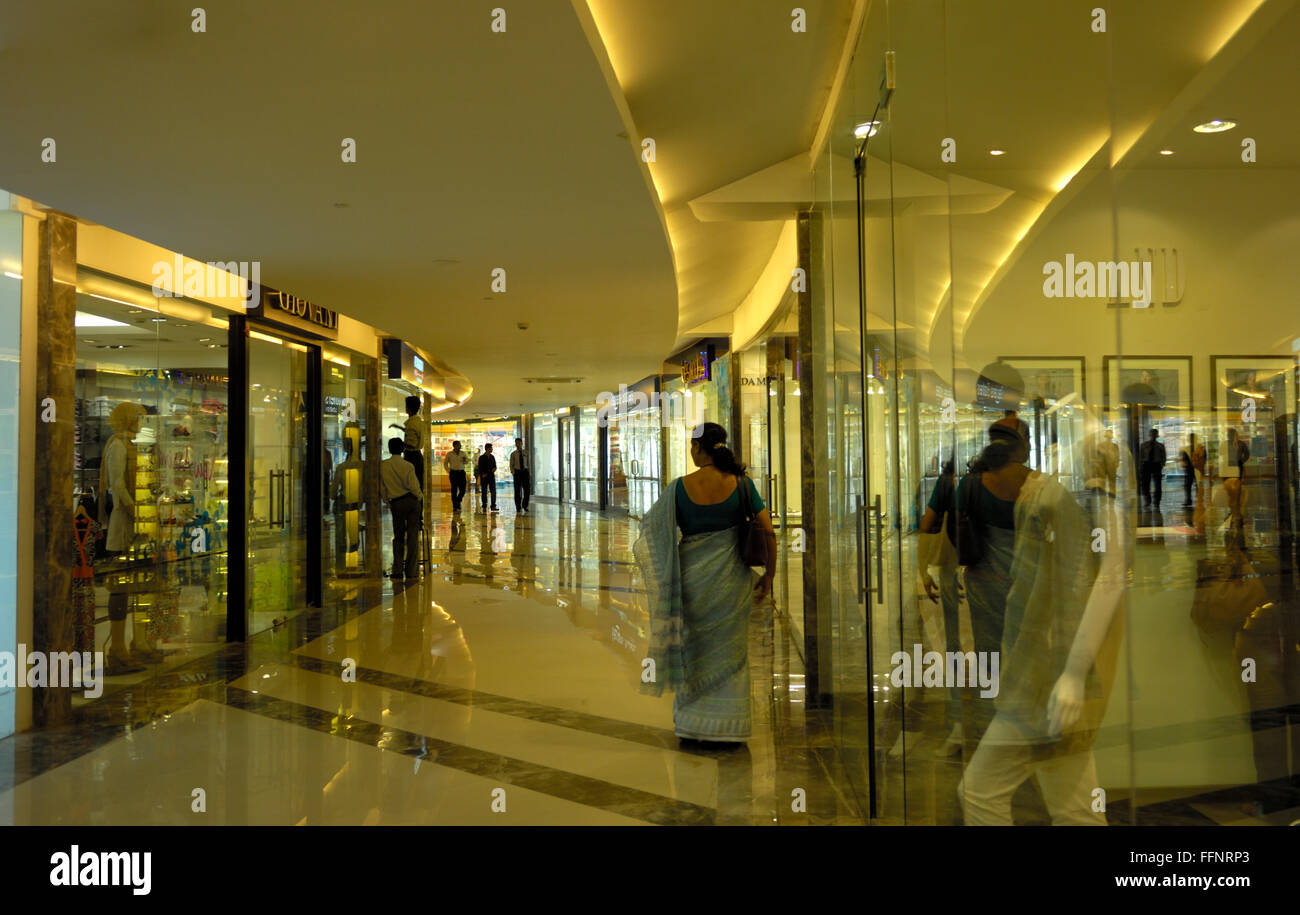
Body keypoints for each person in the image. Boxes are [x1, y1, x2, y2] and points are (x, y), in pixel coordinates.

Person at [957, 407, 1129, 826]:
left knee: (981, 790)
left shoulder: (1082, 503)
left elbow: (1108, 582)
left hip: (1046, 674)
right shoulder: (1060, 495)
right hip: (1049, 667)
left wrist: (1072, 672)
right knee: (1075, 807)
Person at [633, 422, 776, 746]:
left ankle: (691, 727)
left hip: (691, 582)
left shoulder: (679, 488)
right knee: (732, 651)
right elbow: (767, 531)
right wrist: (769, 574)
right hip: (730, 585)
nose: (691, 452)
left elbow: (651, 531)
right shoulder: (742, 484)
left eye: (692, 446)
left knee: (693, 648)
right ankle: (730, 728)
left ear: (699, 448)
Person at [381, 436, 422, 580]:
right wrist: (419, 497)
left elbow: (382, 488)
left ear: (389, 448)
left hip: (396, 503)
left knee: (398, 536)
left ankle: (397, 570)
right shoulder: (408, 465)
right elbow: (414, 486)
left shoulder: (383, 465)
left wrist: (388, 502)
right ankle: (411, 571)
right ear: (403, 448)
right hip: (411, 502)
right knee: (412, 536)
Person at [1138, 427, 1166, 509]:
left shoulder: (1160, 446)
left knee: (1158, 485)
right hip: (1146, 465)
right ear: (1150, 435)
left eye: (1155, 434)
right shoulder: (1144, 445)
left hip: (1156, 465)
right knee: (1145, 485)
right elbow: (1140, 456)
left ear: (1157, 435)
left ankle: (1156, 502)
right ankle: (1148, 501)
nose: (1153, 436)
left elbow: (1164, 457)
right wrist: (1140, 466)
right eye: (1152, 434)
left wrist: (1161, 464)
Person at [443, 439, 470, 512]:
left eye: (460, 444)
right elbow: (445, 463)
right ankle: (455, 506)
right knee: (454, 489)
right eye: (458, 445)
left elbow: (466, 462)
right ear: (454, 446)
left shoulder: (463, 453)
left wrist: (465, 460)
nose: (460, 446)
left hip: (461, 472)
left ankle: (458, 501)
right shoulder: (449, 454)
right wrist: (449, 471)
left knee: (463, 489)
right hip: (453, 473)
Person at [509, 437, 531, 513]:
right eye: (516, 443)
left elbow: (529, 463)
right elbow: (511, 464)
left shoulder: (526, 452)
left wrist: (529, 473)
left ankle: (525, 505)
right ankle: (518, 506)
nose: (517, 444)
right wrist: (513, 472)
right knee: (517, 491)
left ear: (522, 444)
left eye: (519, 443)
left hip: (525, 472)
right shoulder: (513, 454)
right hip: (517, 473)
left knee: (527, 490)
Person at [476, 442, 498, 512]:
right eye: (491, 448)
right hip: (484, 476)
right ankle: (484, 504)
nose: (491, 449)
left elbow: (495, 465)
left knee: (493, 491)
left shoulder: (492, 457)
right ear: (487, 449)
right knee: (484, 491)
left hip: (491, 476)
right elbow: (480, 467)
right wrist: (482, 474)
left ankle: (493, 505)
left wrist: (494, 468)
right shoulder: (481, 457)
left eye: (491, 448)